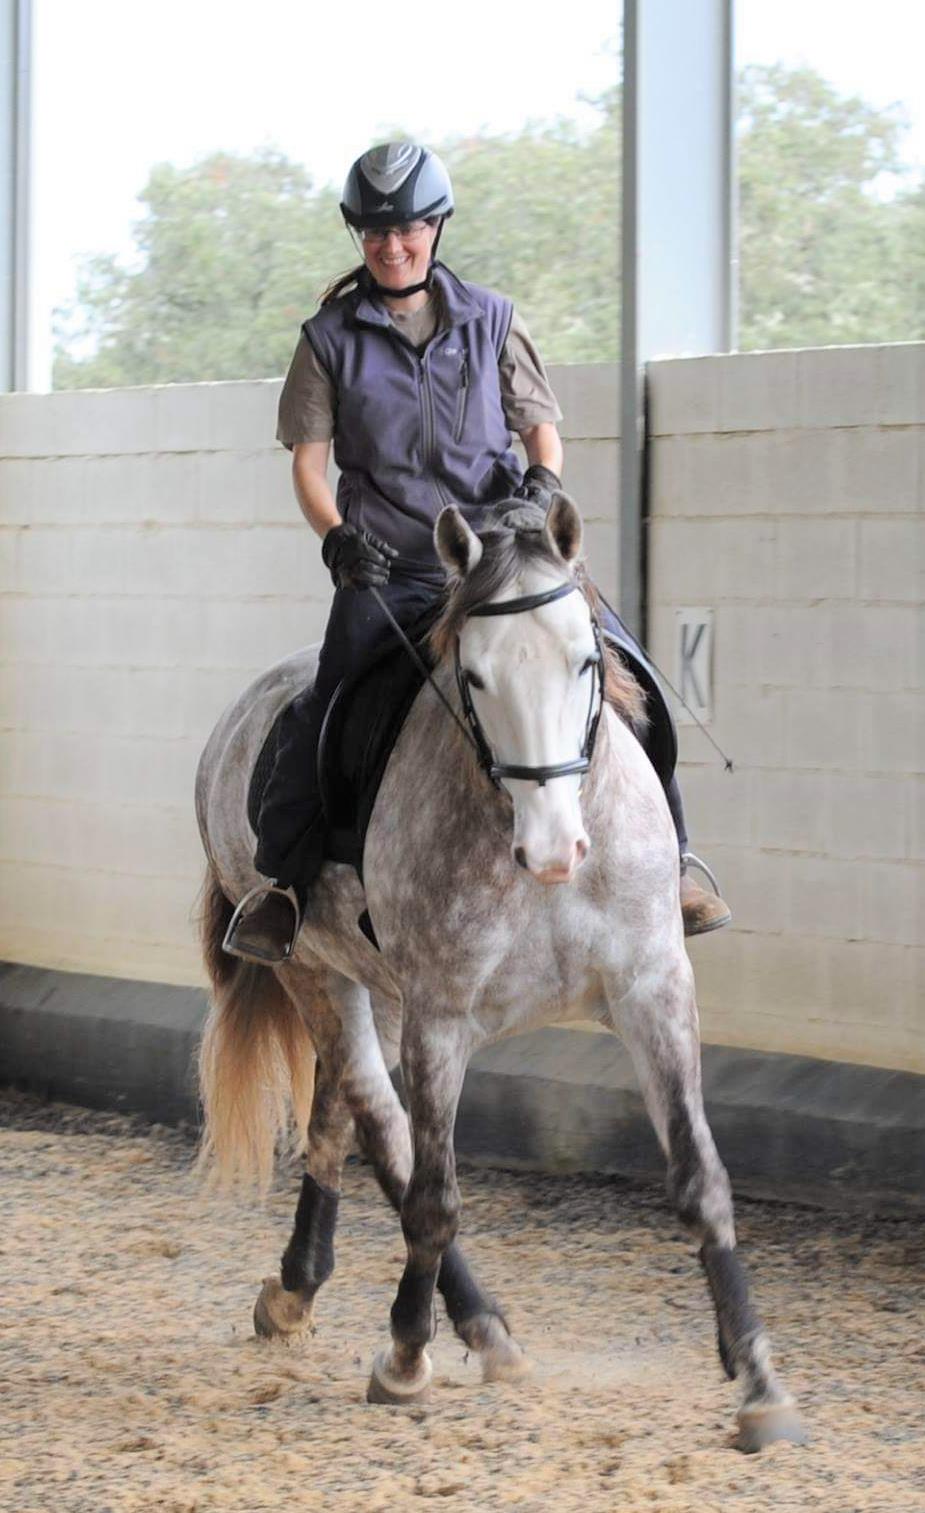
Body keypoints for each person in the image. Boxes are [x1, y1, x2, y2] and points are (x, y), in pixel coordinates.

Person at [223, 142, 731, 963]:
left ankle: (673, 863)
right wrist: (338, 538)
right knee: (325, 709)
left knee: (626, 677)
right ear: (359, 237)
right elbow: (308, 467)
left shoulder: (492, 318)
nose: (392, 245)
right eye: (375, 233)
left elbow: (543, 433)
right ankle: (282, 885)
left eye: (408, 228)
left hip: (499, 560)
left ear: (436, 227)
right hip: (392, 568)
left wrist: (538, 484)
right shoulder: (326, 340)